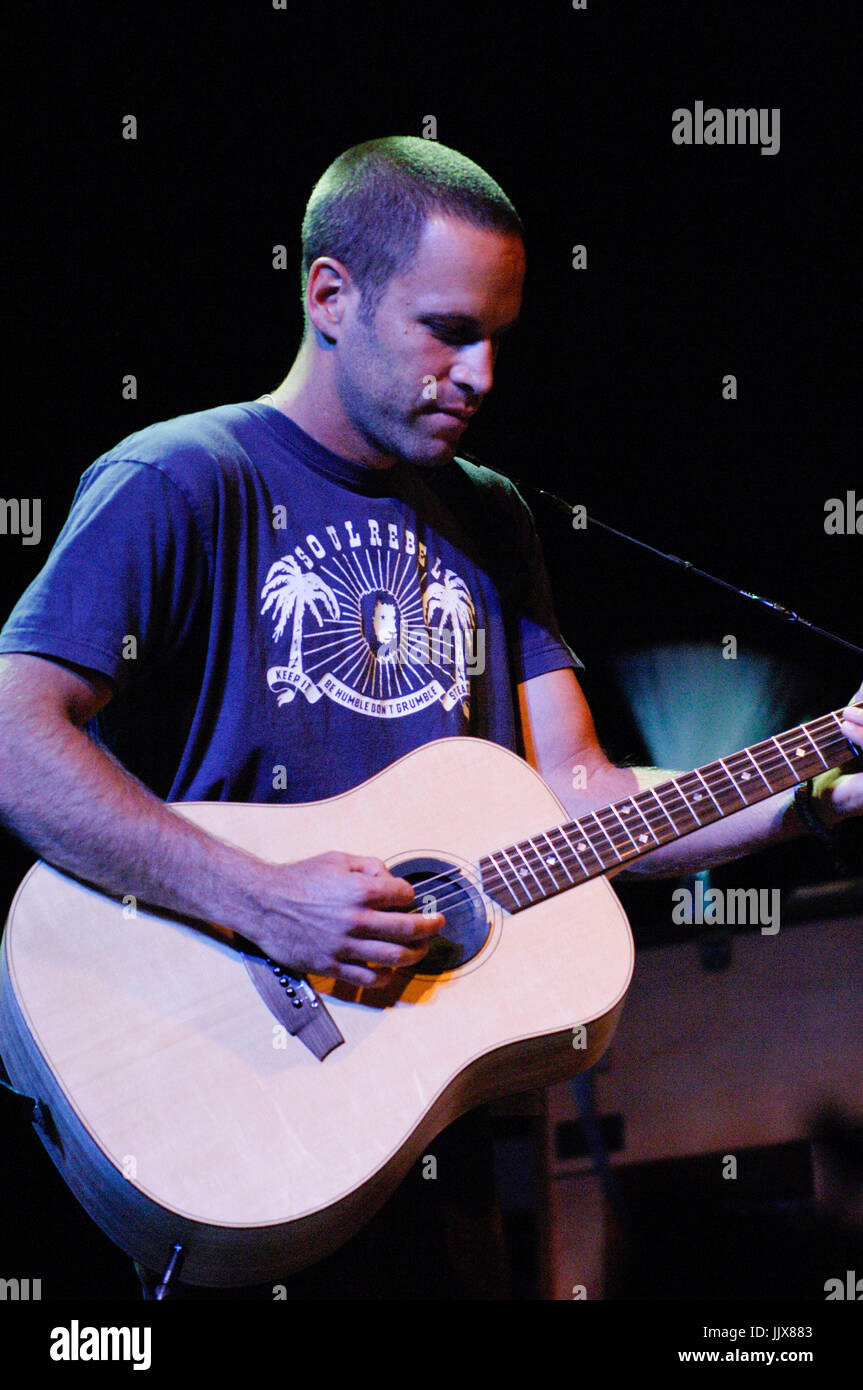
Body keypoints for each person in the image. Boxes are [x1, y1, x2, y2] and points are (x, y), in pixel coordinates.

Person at [0, 136, 860, 1299]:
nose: (481, 375)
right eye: (448, 331)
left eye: (498, 336)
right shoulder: (181, 478)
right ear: (329, 295)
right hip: (230, 1091)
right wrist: (265, 901)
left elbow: (584, 801)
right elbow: (14, 738)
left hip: (425, 1141)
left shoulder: (491, 520)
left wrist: (810, 786)